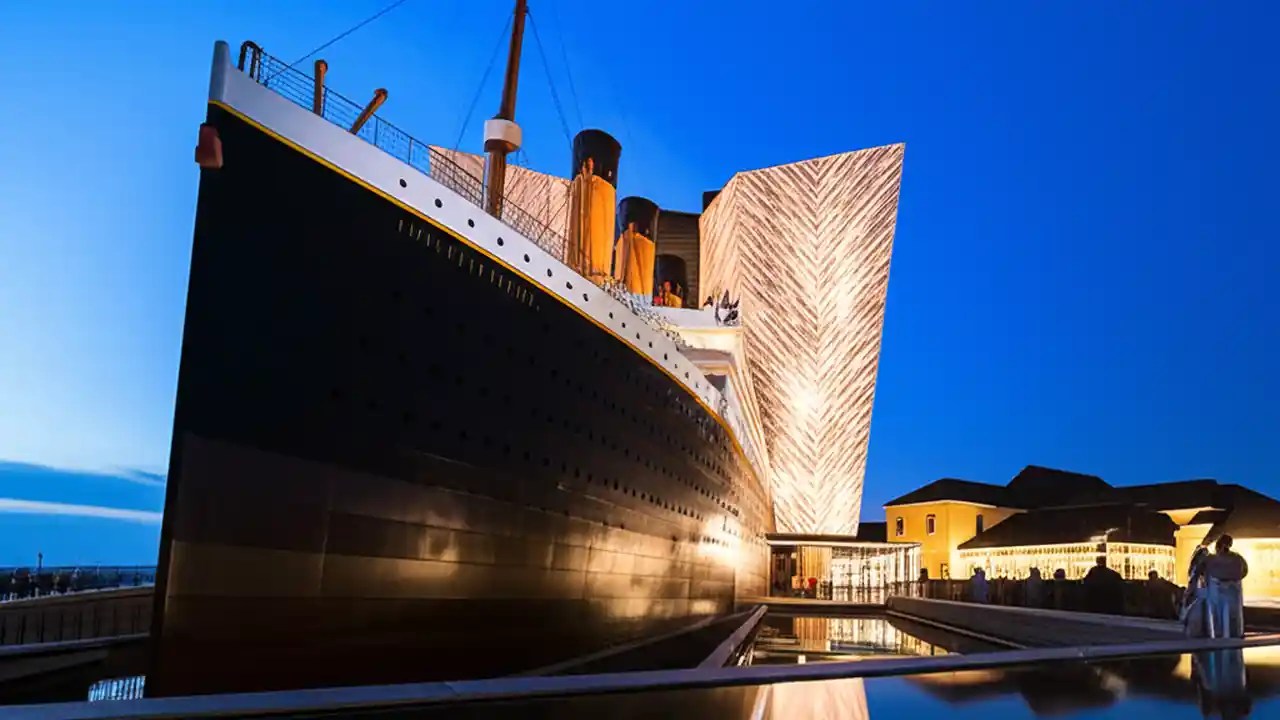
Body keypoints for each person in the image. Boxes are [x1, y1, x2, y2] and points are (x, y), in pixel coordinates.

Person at [1205, 534, 1249, 638]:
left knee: (1219, 621)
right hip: (1233, 592)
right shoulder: (1238, 558)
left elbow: (1205, 573)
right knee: (1233, 619)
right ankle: (1235, 634)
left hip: (1218, 593)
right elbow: (1244, 572)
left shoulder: (1212, 560)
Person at [1183, 544, 1212, 637]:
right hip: (1200, 595)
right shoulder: (1199, 569)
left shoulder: (1197, 568)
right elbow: (1193, 583)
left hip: (1201, 594)